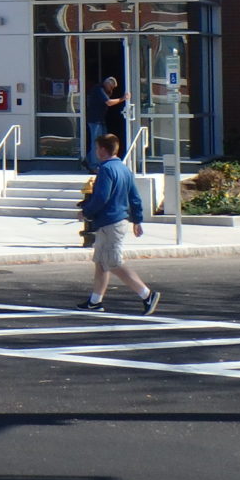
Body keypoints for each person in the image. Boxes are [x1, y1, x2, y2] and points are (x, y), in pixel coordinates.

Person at [77, 132, 161, 314]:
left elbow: (101, 197)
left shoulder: (106, 169)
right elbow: (135, 197)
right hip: (118, 220)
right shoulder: (124, 169)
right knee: (100, 261)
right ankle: (95, 301)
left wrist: (86, 211)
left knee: (113, 262)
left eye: (97, 148)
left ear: (102, 149)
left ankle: (147, 294)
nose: (95, 151)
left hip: (109, 222)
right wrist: (137, 220)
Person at [84, 76, 126, 170]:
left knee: (104, 142)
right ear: (107, 83)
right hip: (95, 120)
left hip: (100, 120)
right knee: (97, 143)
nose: (111, 89)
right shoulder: (99, 89)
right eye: (111, 87)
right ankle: (93, 165)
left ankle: (87, 160)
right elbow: (109, 102)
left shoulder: (103, 90)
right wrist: (122, 99)